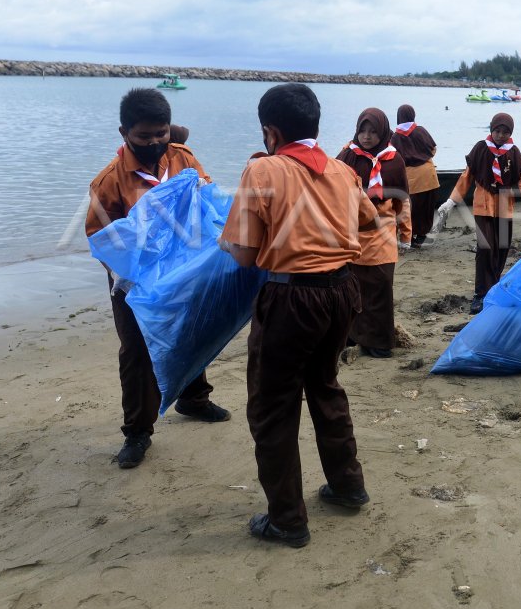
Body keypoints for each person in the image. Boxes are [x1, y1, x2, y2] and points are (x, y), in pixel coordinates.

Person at [220, 82, 378, 548]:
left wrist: (222, 240)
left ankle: (287, 519)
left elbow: (245, 256)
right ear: (315, 125)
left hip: (292, 299)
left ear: (270, 132)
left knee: (273, 405)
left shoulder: (261, 170)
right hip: (342, 291)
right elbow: (368, 220)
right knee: (325, 386)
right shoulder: (340, 169)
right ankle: (349, 485)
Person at [85, 88, 231, 470]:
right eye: (143, 137)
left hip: (185, 270)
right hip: (134, 283)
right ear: (124, 133)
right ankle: (137, 432)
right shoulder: (109, 182)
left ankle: (194, 399)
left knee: (193, 329)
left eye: (160, 134)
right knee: (136, 352)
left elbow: (207, 197)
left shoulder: (183, 159)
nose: (153, 143)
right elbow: (101, 240)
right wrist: (129, 281)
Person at [436, 112, 521, 314]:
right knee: (485, 249)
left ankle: (494, 286)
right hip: (483, 205)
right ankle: (480, 293)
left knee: (501, 248)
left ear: (511, 133)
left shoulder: (513, 152)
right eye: (497, 131)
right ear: (491, 129)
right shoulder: (481, 148)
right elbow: (467, 177)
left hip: (504, 206)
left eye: (505, 132)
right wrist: (451, 201)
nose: (500, 135)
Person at [336, 108, 411, 359]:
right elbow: (331, 189)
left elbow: (402, 199)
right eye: (362, 130)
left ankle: (378, 341)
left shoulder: (395, 159)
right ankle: (351, 335)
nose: (366, 136)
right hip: (352, 232)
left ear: (383, 132)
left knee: (380, 286)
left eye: (373, 131)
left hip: (383, 232)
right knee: (351, 286)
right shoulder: (347, 156)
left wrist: (406, 233)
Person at [390, 104, 438, 248]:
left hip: (410, 178)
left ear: (399, 116)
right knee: (425, 208)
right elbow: (433, 149)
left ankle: (409, 236)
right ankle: (421, 236)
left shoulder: (395, 136)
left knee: (409, 209)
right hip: (429, 176)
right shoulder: (421, 131)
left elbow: (393, 157)